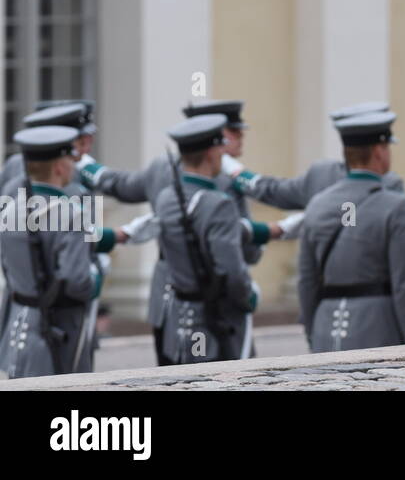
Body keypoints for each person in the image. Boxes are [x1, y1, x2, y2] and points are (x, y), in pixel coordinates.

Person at [79, 98, 290, 364]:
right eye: (234, 132)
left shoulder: (160, 170)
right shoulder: (225, 179)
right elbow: (242, 253)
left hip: (167, 301)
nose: (241, 137)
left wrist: (82, 165)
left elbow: (120, 186)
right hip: (215, 302)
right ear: (218, 138)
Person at [0, 126, 153, 378]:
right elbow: (78, 283)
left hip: (20, 323)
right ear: (59, 167)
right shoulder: (69, 214)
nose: (75, 166)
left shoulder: (10, 209)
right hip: (60, 329)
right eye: (71, 160)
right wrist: (98, 271)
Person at [297, 111, 405, 351]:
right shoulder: (397, 206)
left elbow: (306, 280)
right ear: (379, 151)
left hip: (325, 326)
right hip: (379, 328)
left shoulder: (317, 204)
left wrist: (311, 330)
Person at [154, 114, 259, 365]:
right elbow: (231, 271)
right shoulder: (218, 204)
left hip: (180, 319)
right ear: (212, 152)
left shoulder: (166, 197)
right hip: (216, 323)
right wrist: (249, 297)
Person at [229, 101, 404, 211]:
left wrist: (239, 176)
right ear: (378, 151)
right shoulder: (389, 185)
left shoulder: (321, 174)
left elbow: (273, 190)